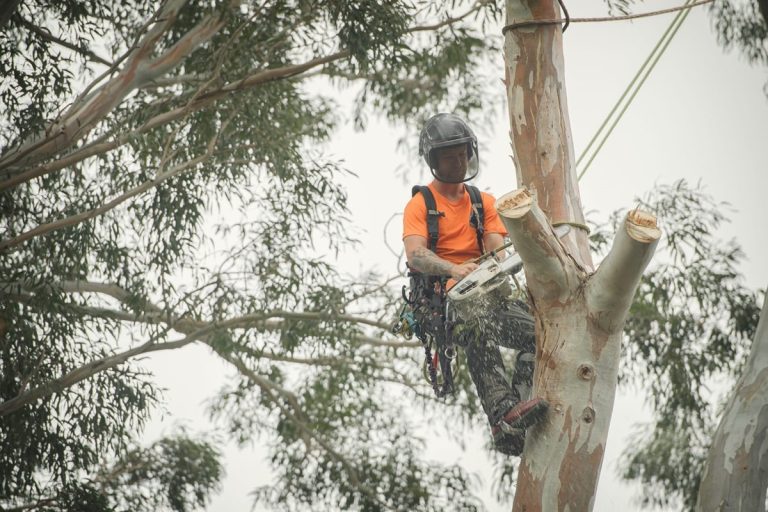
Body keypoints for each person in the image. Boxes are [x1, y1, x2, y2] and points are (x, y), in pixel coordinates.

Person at [401, 113, 548, 455]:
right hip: (442, 305)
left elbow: (497, 249)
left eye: (462, 153)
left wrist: (500, 262)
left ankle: (520, 412)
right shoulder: (420, 204)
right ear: (434, 160)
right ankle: (502, 413)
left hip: (488, 297)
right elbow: (416, 255)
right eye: (449, 155)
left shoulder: (483, 203)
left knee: (542, 335)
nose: (458, 161)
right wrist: (452, 269)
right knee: (477, 326)